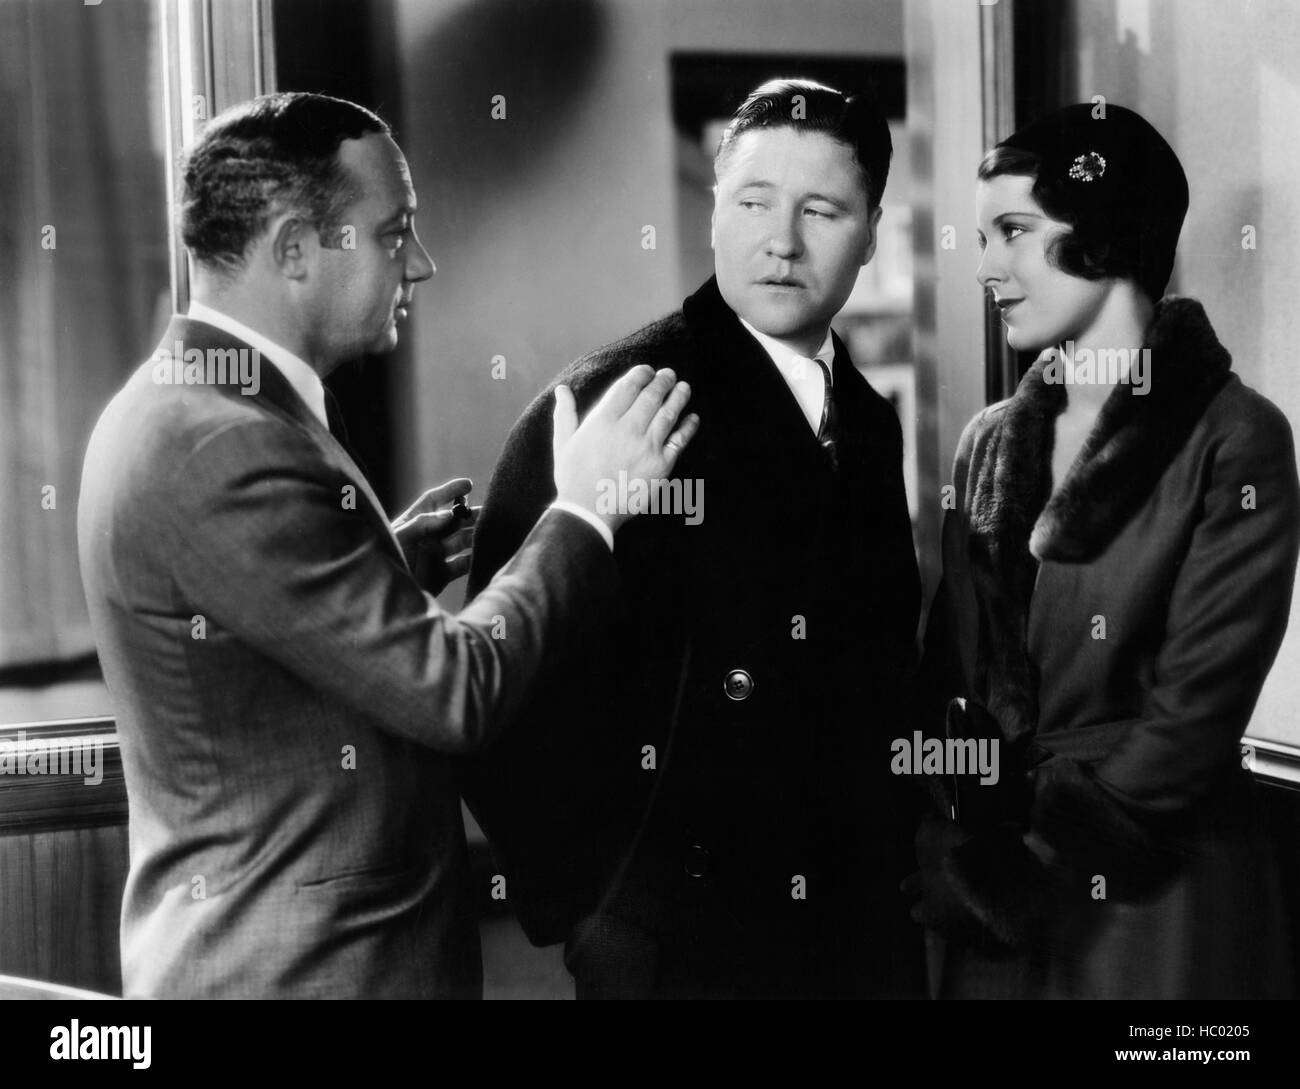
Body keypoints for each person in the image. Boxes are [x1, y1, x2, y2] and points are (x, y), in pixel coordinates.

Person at [76, 92, 698, 999]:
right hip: (308, 974)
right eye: (393, 231)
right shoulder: (225, 444)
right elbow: (455, 692)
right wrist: (590, 507)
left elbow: (255, 629)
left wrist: (388, 559)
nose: (422, 263)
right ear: (295, 249)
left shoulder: (195, 407)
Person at [462, 79, 924, 999]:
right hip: (684, 937)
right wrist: (599, 909)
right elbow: (498, 687)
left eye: (822, 210)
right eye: (753, 201)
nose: (781, 240)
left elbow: (878, 667)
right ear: (716, 209)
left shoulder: (869, 420)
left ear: (871, 233)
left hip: (859, 917)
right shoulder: (614, 395)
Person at [904, 103, 1300, 999]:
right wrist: (952, 831)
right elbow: (948, 675)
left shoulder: (1235, 437)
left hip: (1154, 893)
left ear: (1111, 237)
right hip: (994, 896)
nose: (984, 267)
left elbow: (1194, 711)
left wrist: (1032, 863)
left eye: (1014, 231)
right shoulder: (988, 444)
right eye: (980, 236)